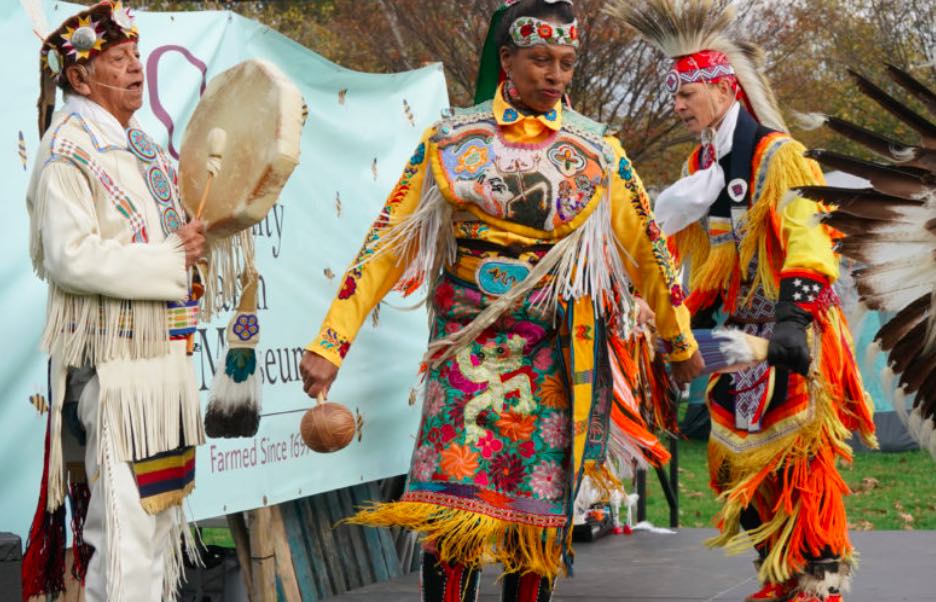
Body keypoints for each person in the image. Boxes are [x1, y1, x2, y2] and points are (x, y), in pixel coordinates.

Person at [299, 1, 701, 600]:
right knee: (450, 513)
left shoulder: (597, 151)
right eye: (540, 60)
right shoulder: (453, 139)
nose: (555, 74)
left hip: (553, 353)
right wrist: (331, 341)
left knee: (533, 525)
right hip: (465, 343)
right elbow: (387, 243)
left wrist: (679, 340)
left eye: (566, 63)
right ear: (507, 60)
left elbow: (649, 251)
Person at [610, 2, 876, 601]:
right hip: (736, 339)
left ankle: (823, 587)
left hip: (791, 334)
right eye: (674, 94)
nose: (677, 107)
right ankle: (778, 582)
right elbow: (703, 261)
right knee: (745, 471)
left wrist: (791, 322)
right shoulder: (698, 166)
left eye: (686, 93)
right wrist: (683, 319)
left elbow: (810, 238)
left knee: (803, 474)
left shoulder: (778, 156)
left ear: (724, 88)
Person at [22, 3, 206, 600]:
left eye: (136, 57)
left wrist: (192, 243)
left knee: (151, 532)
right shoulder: (67, 150)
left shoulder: (143, 147)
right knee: (124, 537)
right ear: (79, 77)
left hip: (157, 371)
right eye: (117, 59)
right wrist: (173, 260)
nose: (135, 68)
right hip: (113, 373)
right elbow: (71, 258)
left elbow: (174, 239)